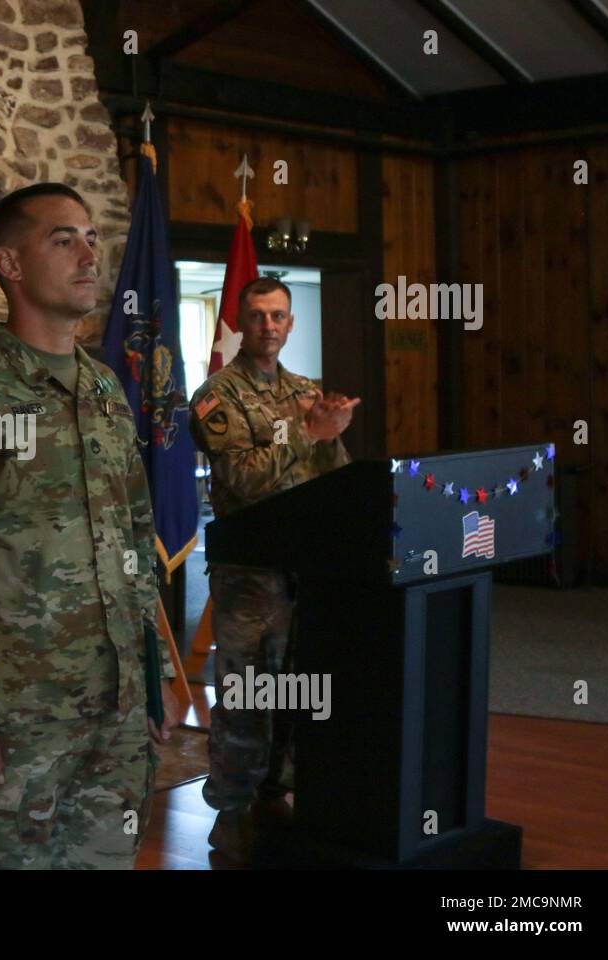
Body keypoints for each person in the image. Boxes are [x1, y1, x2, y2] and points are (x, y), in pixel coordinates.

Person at [0, 183, 181, 870]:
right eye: (63, 239)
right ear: (10, 265)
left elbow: (138, 542)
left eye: (91, 238)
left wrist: (153, 669)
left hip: (112, 716)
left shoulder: (104, 390)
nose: (88, 255)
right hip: (11, 724)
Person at [189, 276, 359, 864]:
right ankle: (231, 817)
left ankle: (275, 795)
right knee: (246, 701)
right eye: (258, 316)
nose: (269, 327)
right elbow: (239, 479)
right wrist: (308, 434)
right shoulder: (217, 395)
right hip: (249, 580)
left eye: (279, 316)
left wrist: (330, 434)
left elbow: (333, 474)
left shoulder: (307, 391)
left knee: (296, 694)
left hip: (305, 570)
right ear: (241, 322)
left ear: (291, 325)